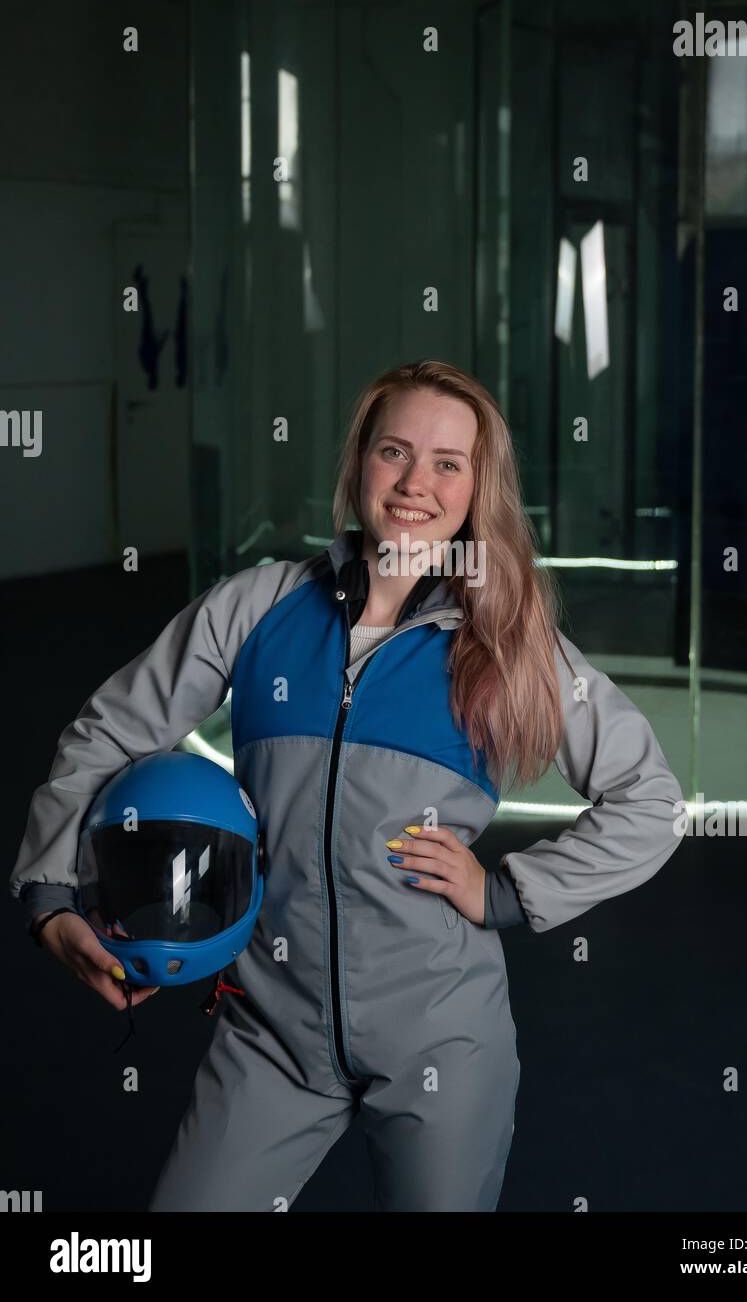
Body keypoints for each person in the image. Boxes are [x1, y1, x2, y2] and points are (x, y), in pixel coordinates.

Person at [10, 358, 685, 1212]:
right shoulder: (256, 608)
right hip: (270, 1027)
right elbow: (107, 731)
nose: (415, 484)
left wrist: (510, 891)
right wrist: (49, 892)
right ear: (359, 460)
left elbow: (651, 802)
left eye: (448, 463)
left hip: (440, 1036)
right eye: (393, 451)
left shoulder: (510, 642)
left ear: (480, 488)